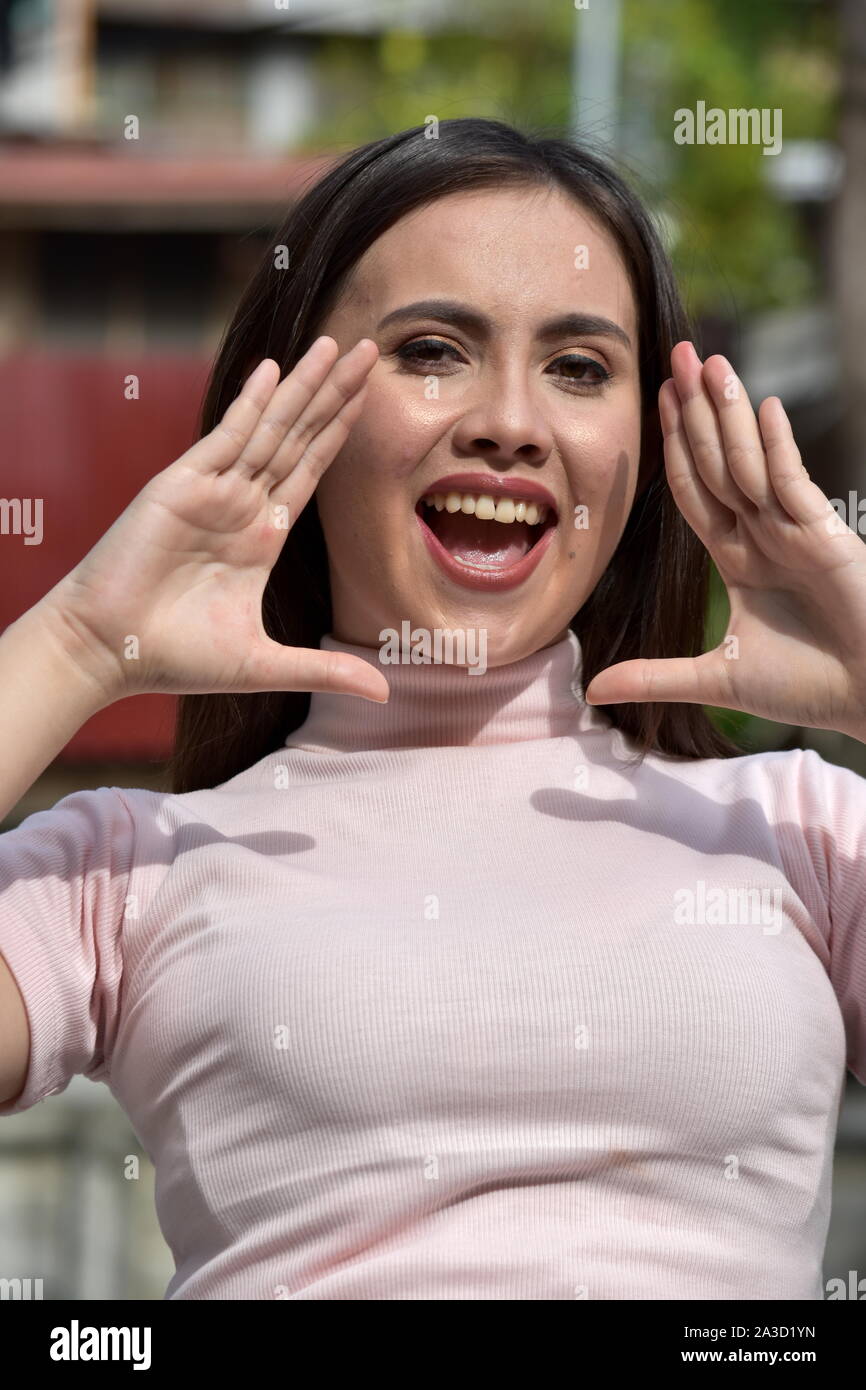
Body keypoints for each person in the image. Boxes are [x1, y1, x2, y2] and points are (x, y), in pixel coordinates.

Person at [1, 117, 865, 1301]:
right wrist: (77, 641)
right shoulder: (128, 869)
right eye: (430, 350)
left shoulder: (804, 831)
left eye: (577, 368)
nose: (509, 422)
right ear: (295, 413)